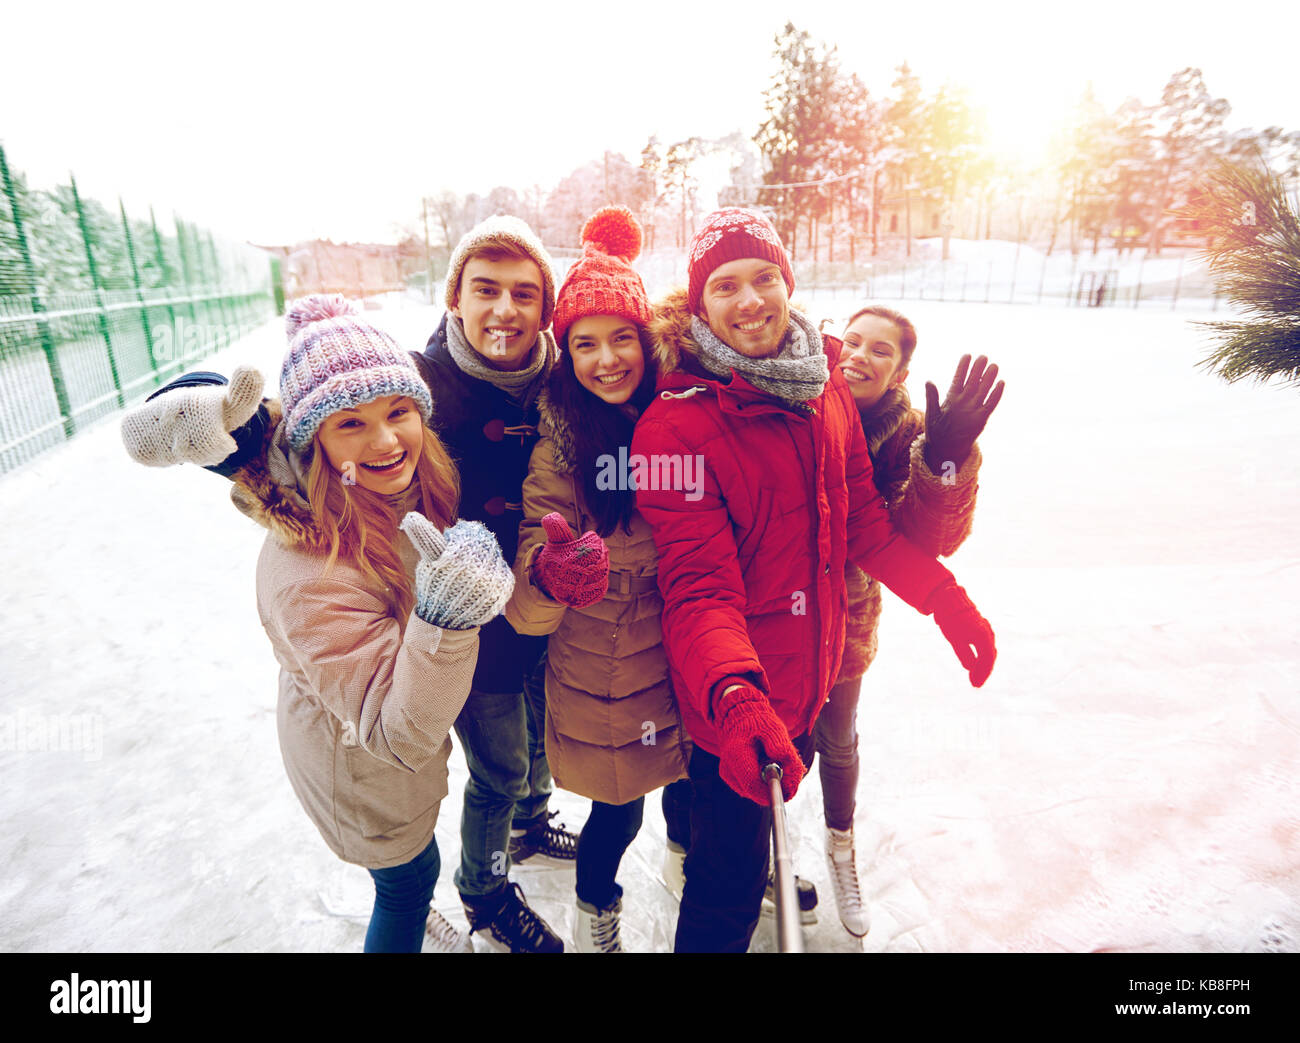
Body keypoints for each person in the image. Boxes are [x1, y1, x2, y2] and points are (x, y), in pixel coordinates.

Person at [119, 216, 577, 953]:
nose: (386, 439)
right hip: (362, 766)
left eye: (399, 412)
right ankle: (428, 901)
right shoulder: (306, 571)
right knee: (404, 882)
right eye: (351, 424)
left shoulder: (412, 480)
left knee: (425, 850)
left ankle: (435, 881)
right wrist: (449, 616)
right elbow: (401, 731)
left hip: (399, 742)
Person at [630, 207, 998, 953]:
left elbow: (863, 520)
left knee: (753, 847)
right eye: (726, 285)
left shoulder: (823, 383)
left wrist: (943, 598)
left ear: (788, 281)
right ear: (700, 304)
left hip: (808, 677)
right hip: (732, 698)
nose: (751, 300)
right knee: (723, 893)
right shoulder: (674, 427)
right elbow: (699, 588)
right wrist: (735, 694)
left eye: (764, 276)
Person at [504, 207, 692, 952]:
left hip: (685, 648)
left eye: (622, 339)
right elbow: (533, 546)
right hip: (608, 663)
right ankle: (595, 913)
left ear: (647, 342)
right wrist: (550, 574)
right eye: (585, 343)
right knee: (620, 811)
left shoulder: (681, 415)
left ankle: (689, 868)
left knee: (691, 788)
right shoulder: (562, 441)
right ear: (566, 354)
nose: (607, 359)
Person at [818, 305, 1003, 937]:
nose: (860, 356)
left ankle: (840, 850)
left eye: (881, 351)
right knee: (775, 744)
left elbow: (927, 538)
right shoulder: (801, 395)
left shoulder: (910, 436)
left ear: (900, 372)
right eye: (855, 341)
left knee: (837, 739)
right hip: (774, 612)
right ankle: (759, 854)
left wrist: (947, 457)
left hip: (846, 613)